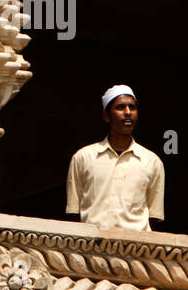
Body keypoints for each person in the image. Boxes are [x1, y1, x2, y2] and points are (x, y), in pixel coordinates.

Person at [65, 85, 165, 231]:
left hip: (135, 248)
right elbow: (73, 212)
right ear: (106, 116)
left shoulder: (152, 161)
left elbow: (154, 217)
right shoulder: (83, 157)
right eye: (120, 107)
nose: (128, 112)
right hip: (91, 249)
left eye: (132, 107)